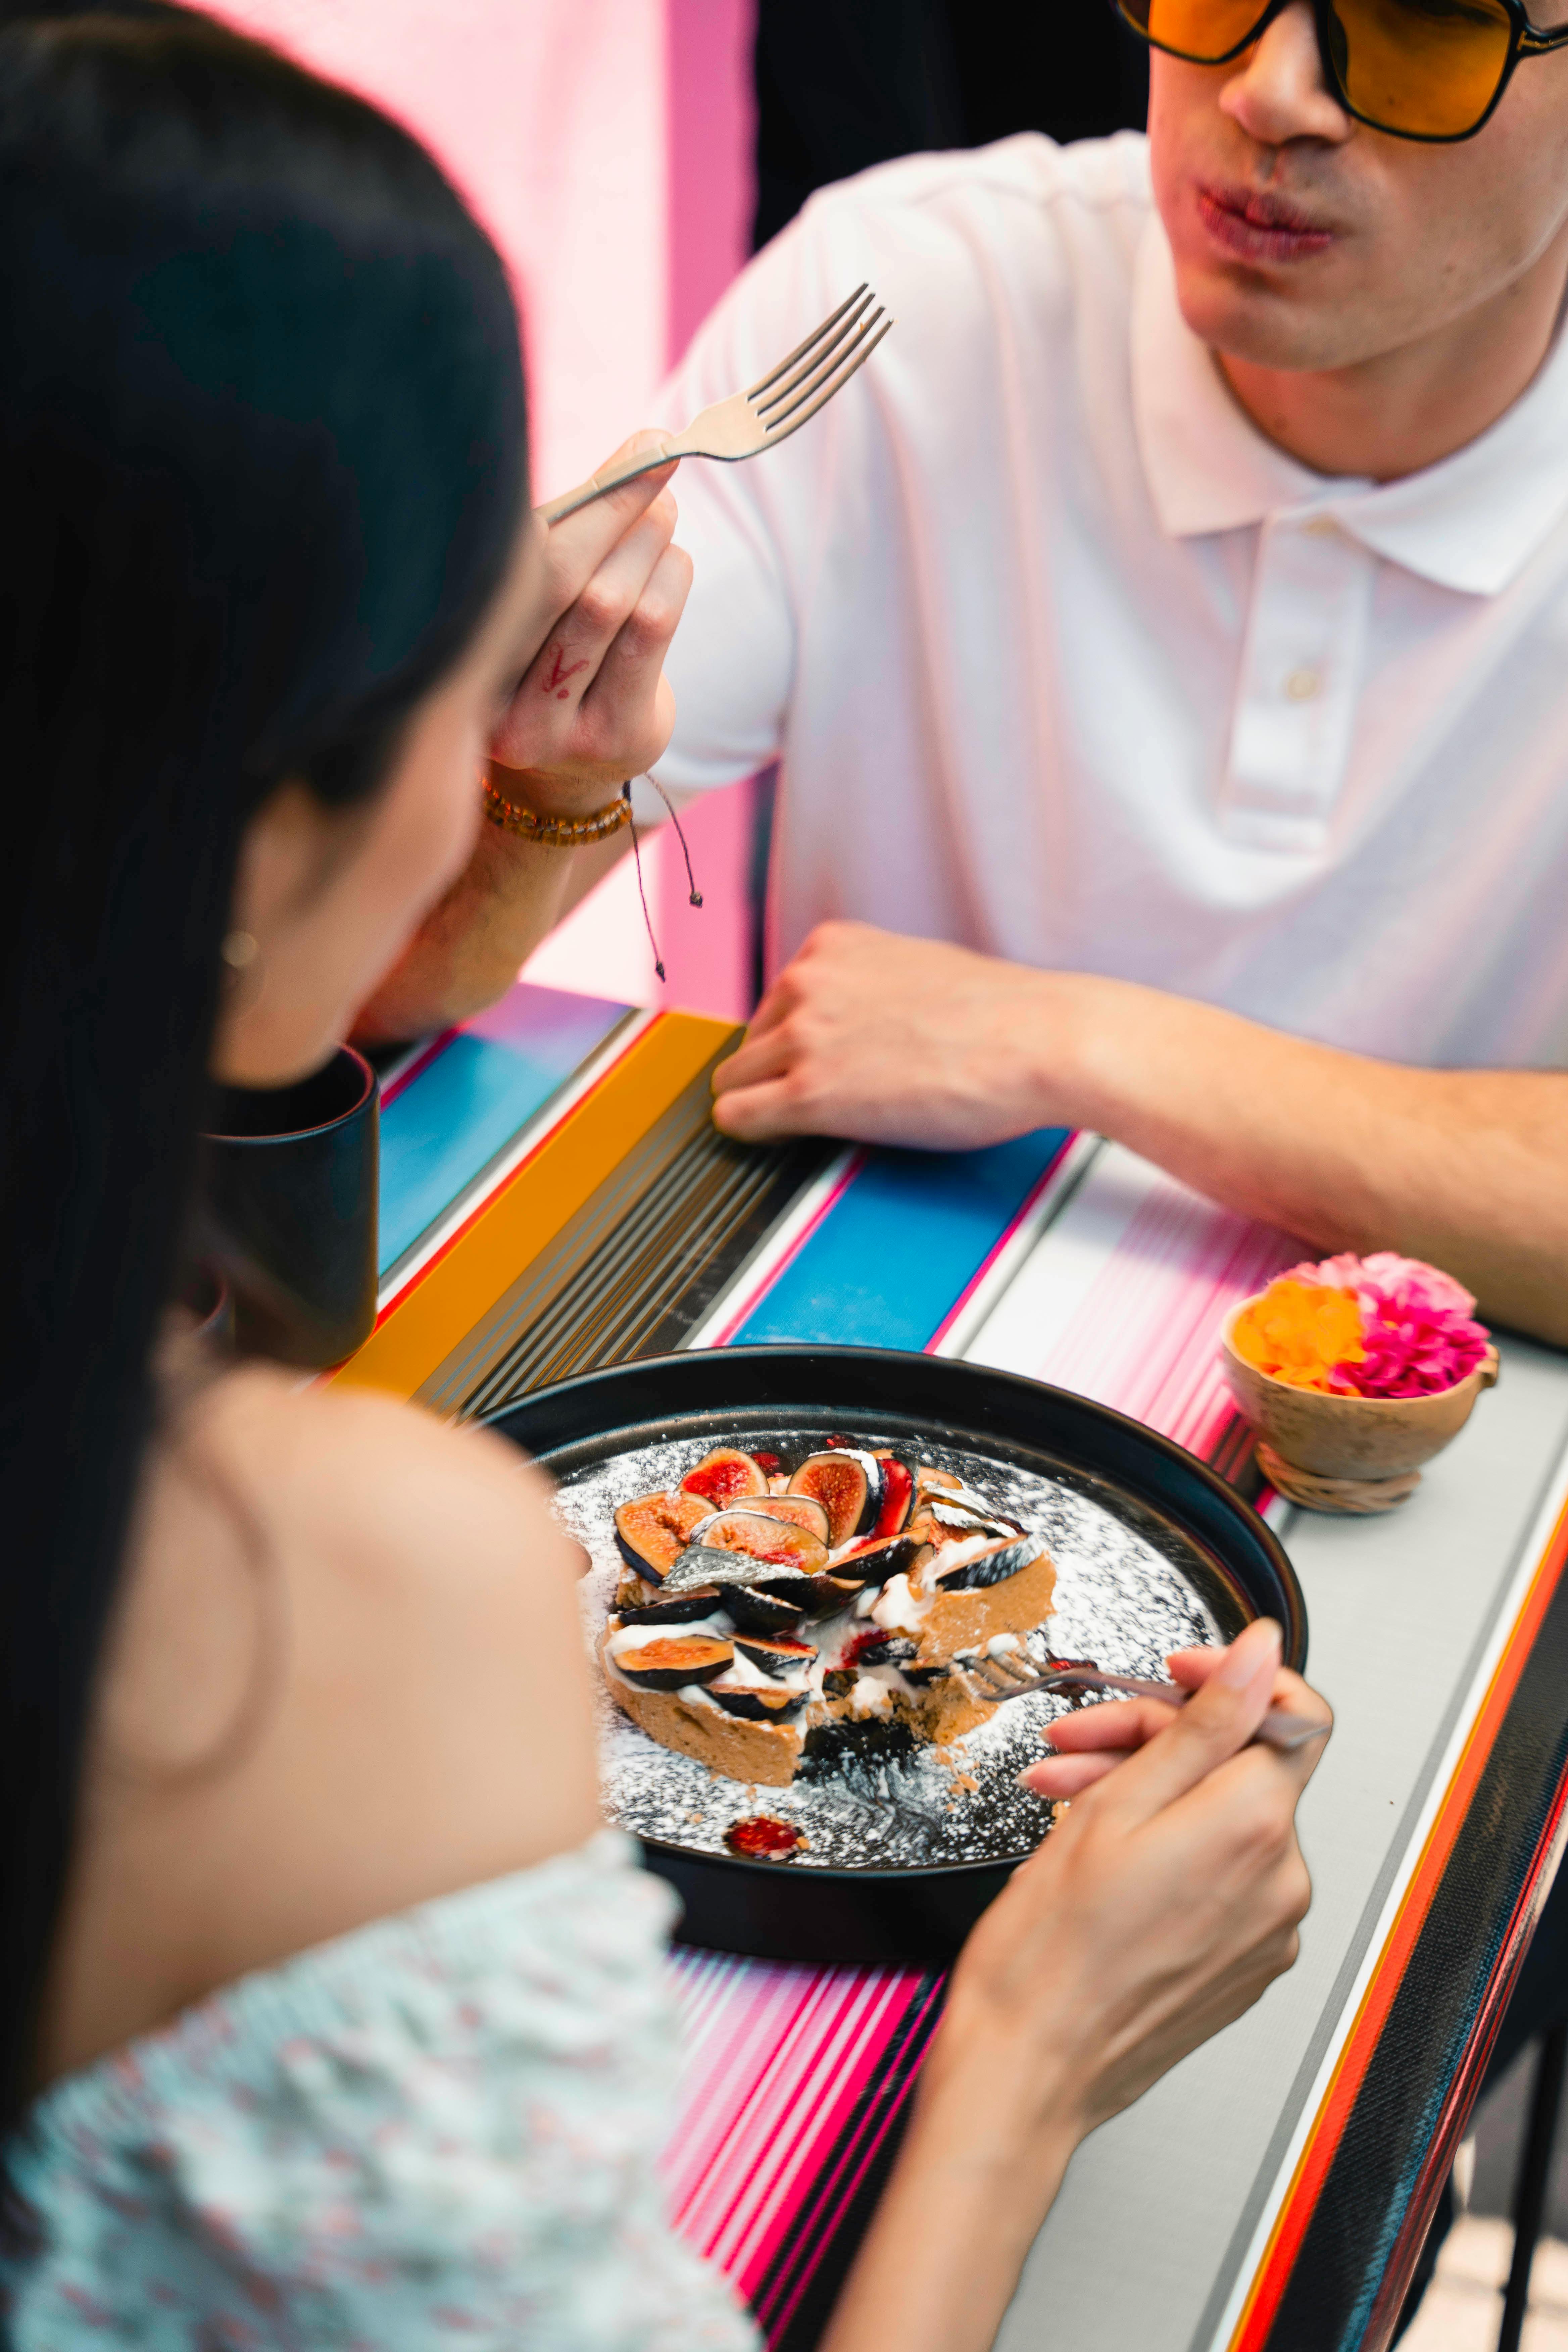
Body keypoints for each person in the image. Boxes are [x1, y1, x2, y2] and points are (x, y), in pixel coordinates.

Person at [0, 8, 1332, 2346]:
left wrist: (1073, 1032)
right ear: (278, 798)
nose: (1284, 91)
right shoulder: (336, 1601)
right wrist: (1025, 2058)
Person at [388, 0, 1568, 1349]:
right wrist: (531, 777)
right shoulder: (906, 289)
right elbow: (371, 982)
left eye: (1427, 22)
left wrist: (1078, 1047)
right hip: (860, 1369)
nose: (1268, 90)